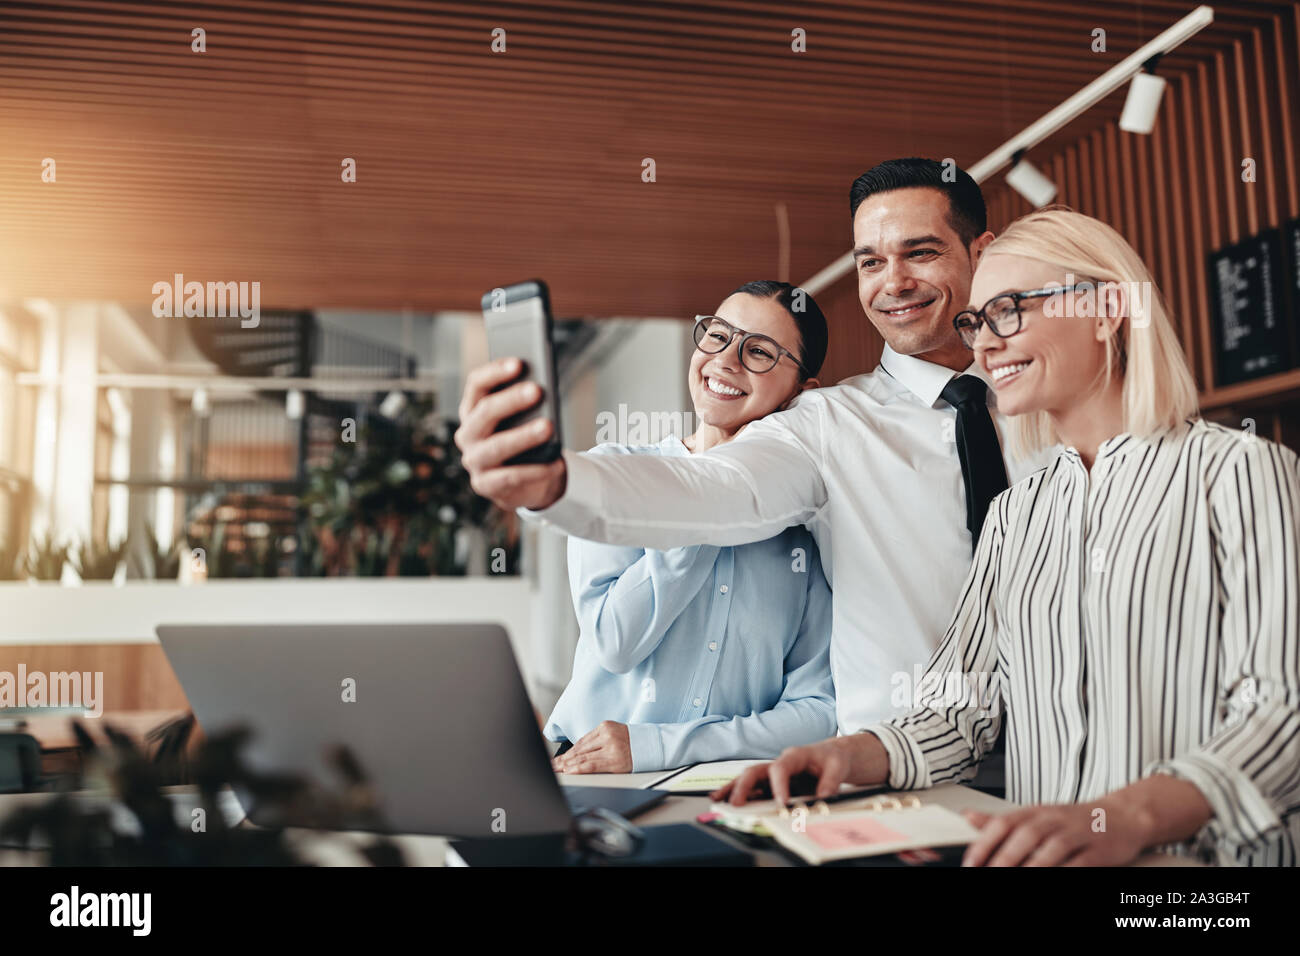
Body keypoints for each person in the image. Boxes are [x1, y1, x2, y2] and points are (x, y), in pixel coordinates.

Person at [715, 208, 1300, 867]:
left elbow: (1281, 712)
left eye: (1010, 311)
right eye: (975, 320)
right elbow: (959, 708)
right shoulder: (1018, 512)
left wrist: (1127, 819)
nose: (985, 343)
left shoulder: (1240, 472)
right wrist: (842, 756)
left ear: (1107, 310)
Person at [454, 159, 1051, 740]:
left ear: (980, 254)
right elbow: (711, 490)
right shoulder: (823, 424)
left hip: (1058, 743)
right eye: (871, 261)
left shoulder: (1053, 405)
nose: (893, 282)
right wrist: (554, 484)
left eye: (920, 252)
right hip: (904, 764)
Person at [547, 281, 836, 774]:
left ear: (801, 392)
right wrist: (705, 504)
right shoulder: (617, 475)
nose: (726, 361)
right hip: (588, 775)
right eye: (718, 335)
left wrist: (662, 747)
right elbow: (617, 643)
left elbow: (818, 713)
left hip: (721, 790)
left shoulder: (804, 531)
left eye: (760, 352)